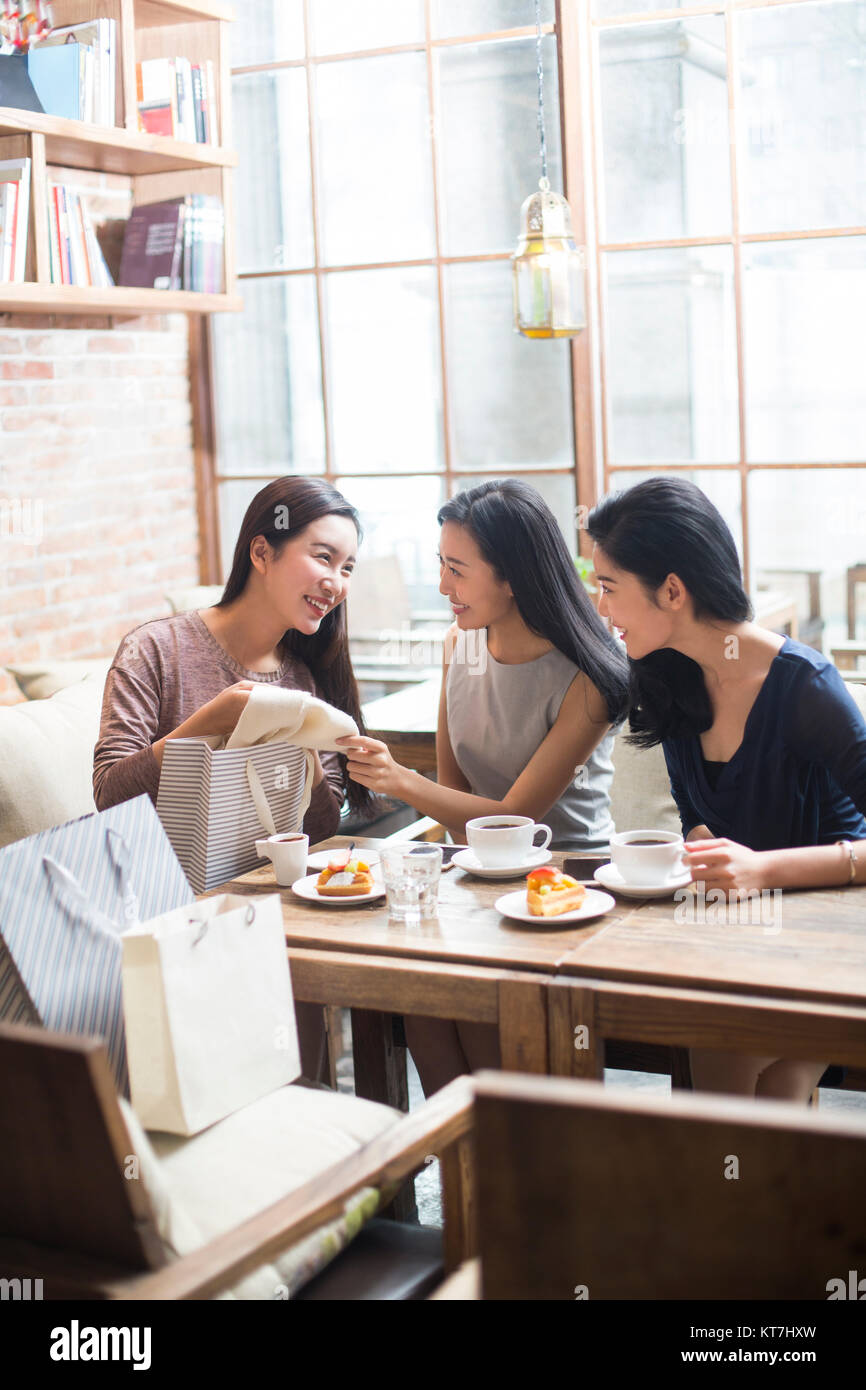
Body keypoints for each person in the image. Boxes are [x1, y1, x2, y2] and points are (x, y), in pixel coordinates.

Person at [337, 478, 630, 1094]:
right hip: (474, 869)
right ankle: (469, 1169)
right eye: (441, 566)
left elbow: (514, 821)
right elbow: (456, 799)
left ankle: (515, 1158)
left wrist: (398, 780)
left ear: (513, 577)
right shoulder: (461, 646)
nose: (442, 587)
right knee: (422, 997)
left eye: (457, 570)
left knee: (480, 1007)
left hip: (564, 879)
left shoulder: (588, 676)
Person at [586, 475, 866, 1102]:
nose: (599, 606)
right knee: (747, 1100)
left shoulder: (804, 685)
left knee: (725, 1072)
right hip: (740, 938)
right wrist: (699, 845)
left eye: (608, 586)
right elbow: (699, 821)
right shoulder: (665, 676)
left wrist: (762, 870)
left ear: (673, 590)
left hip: (833, 936)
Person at [93, 476, 373, 1079]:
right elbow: (111, 794)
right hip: (171, 909)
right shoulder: (156, 650)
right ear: (262, 551)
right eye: (323, 557)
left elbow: (322, 829)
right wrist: (205, 726)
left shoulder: (305, 675)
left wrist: (305, 754)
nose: (337, 582)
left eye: (348, 567)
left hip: (274, 910)